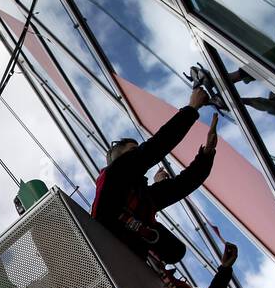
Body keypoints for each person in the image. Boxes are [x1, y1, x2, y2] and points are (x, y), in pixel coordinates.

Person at [92, 86, 218, 266]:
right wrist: (192, 108)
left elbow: (183, 185)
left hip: (123, 269)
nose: (137, 154)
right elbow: (156, 147)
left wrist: (207, 153)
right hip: (106, 262)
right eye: (132, 151)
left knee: (175, 250)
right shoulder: (113, 175)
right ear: (118, 159)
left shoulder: (140, 197)